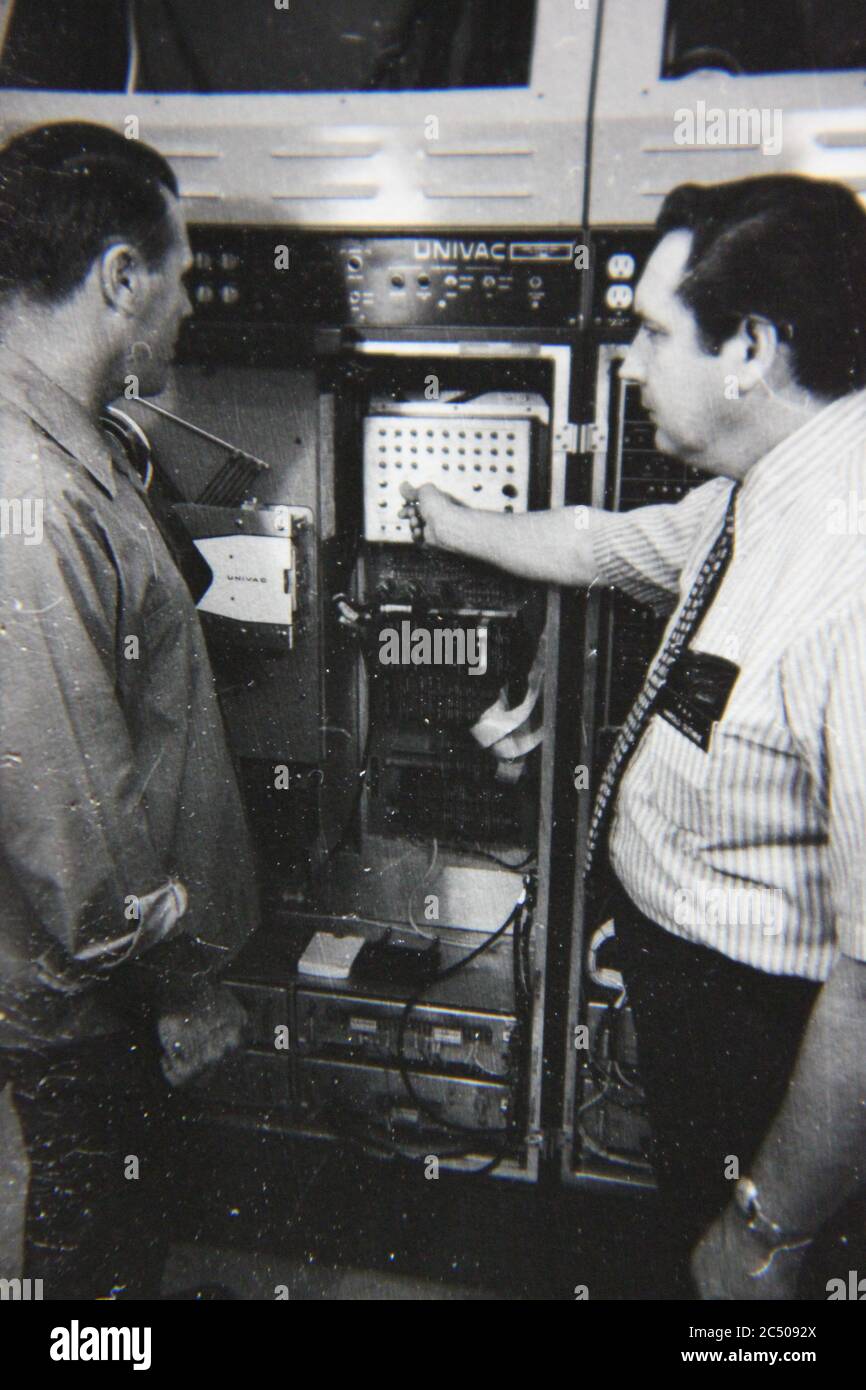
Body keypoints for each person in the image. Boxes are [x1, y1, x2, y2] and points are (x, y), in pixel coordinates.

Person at [400, 174, 866, 1300]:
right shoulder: (759, 493)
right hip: (701, 1009)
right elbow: (605, 545)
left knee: (741, 1302)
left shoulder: (847, 567)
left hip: (772, 1043)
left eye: (656, 333)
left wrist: (766, 1231)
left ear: (749, 347)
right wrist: (448, 517)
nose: (629, 362)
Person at [0, 122, 258, 1299]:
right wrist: (183, 991)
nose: (189, 307)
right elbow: (73, 823)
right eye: (183, 275)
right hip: (76, 1018)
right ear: (119, 278)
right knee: (91, 1283)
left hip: (90, 997)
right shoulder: (32, 497)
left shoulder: (79, 445)